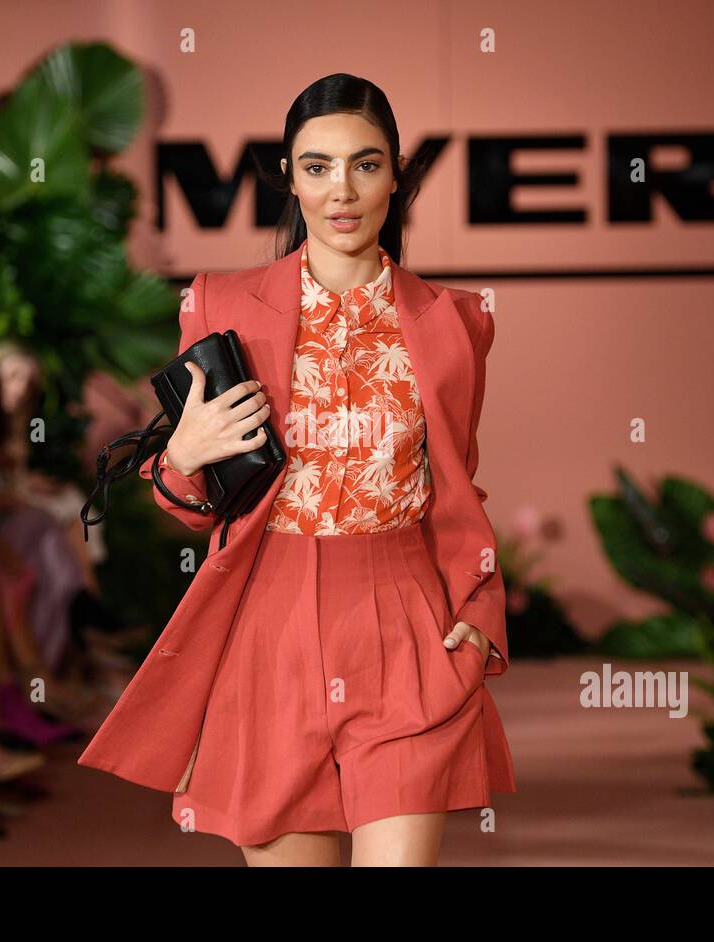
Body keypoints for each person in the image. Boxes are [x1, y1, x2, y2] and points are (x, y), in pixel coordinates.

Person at [78, 73, 515, 866]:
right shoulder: (221, 304)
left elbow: (456, 485)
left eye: (365, 164)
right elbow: (193, 503)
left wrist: (481, 606)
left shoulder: (455, 322)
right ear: (288, 175)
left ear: (397, 173)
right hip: (270, 629)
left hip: (408, 623)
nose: (340, 190)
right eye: (316, 167)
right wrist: (178, 459)